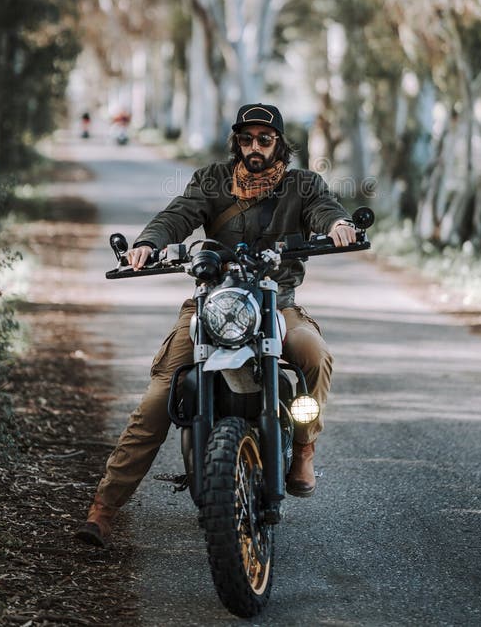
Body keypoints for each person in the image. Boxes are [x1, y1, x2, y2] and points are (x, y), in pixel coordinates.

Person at [75, 103, 356, 548]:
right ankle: (104, 509)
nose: (255, 147)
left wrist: (339, 224)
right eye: (247, 139)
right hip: (212, 303)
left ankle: (303, 447)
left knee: (314, 355)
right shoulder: (212, 179)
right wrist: (149, 243)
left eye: (265, 139)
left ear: (279, 143)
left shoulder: (303, 184)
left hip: (275, 302)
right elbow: (179, 214)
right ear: (237, 142)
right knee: (158, 397)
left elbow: (324, 209)